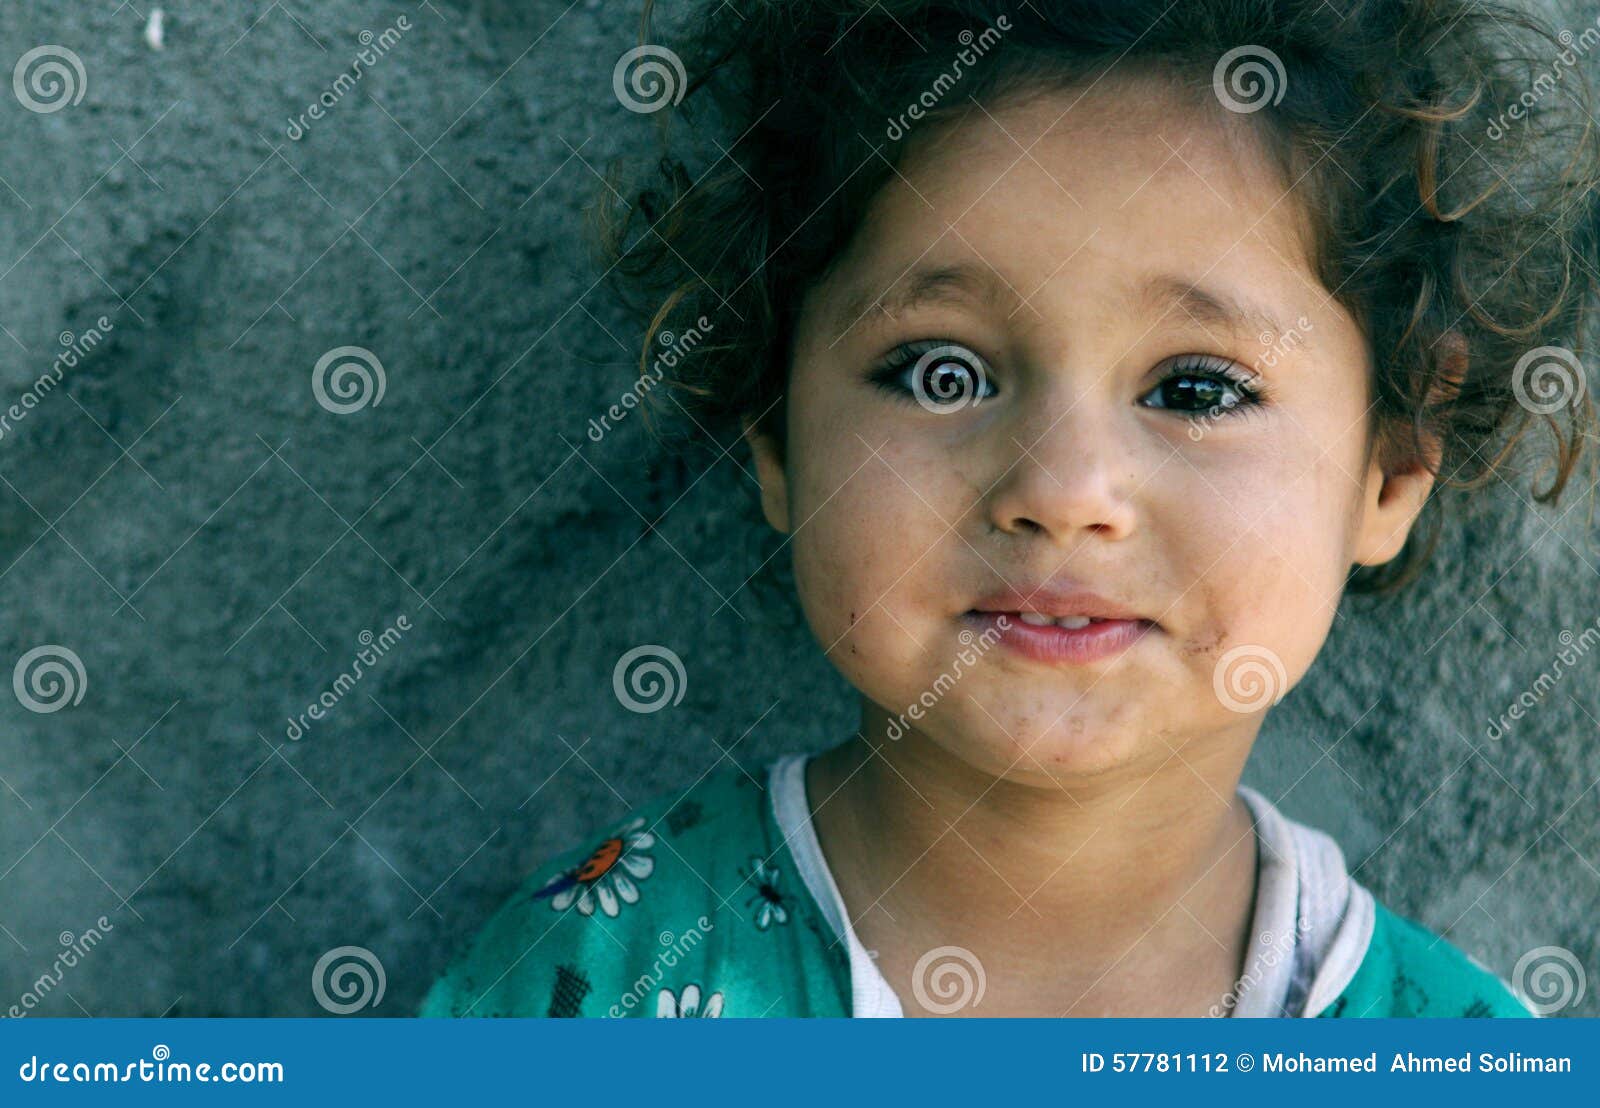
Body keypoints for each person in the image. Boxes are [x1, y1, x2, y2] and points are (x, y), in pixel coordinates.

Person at [422, 0, 1598, 1018]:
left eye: (1196, 388)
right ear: (773, 432)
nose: (1061, 491)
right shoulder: (592, 989)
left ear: (1390, 468)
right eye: (940, 370)